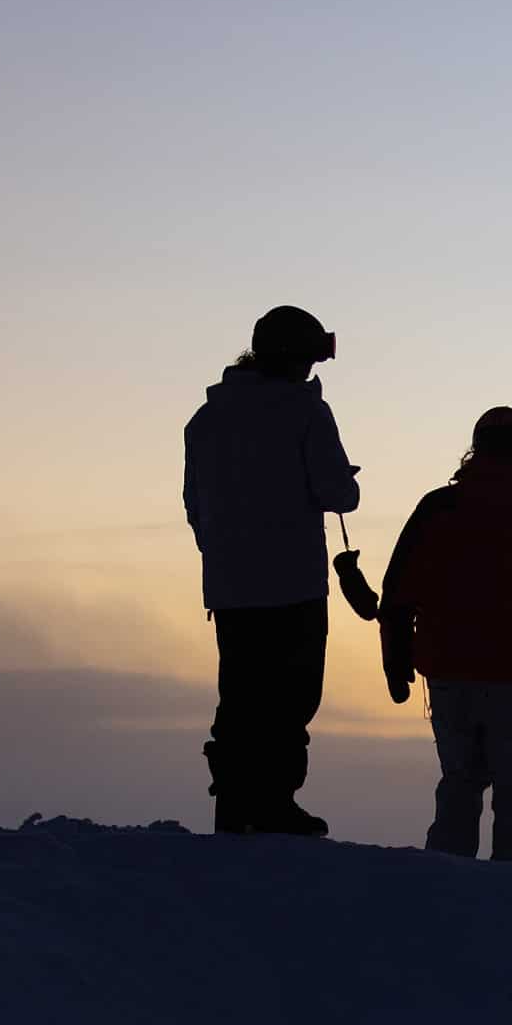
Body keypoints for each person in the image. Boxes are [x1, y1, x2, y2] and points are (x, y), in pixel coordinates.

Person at [378, 407, 512, 866]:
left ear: (476, 447)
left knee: (459, 784)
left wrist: (396, 663)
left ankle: (448, 886)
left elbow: (396, 594)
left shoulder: (437, 507)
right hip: (509, 677)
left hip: (446, 674)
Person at [182, 305, 361, 835]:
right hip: (294, 583)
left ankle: (234, 804)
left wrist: (219, 554)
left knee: (239, 697)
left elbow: (195, 503)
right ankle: (275, 804)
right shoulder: (304, 411)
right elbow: (337, 493)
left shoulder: (206, 418)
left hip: (231, 586)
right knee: (290, 698)